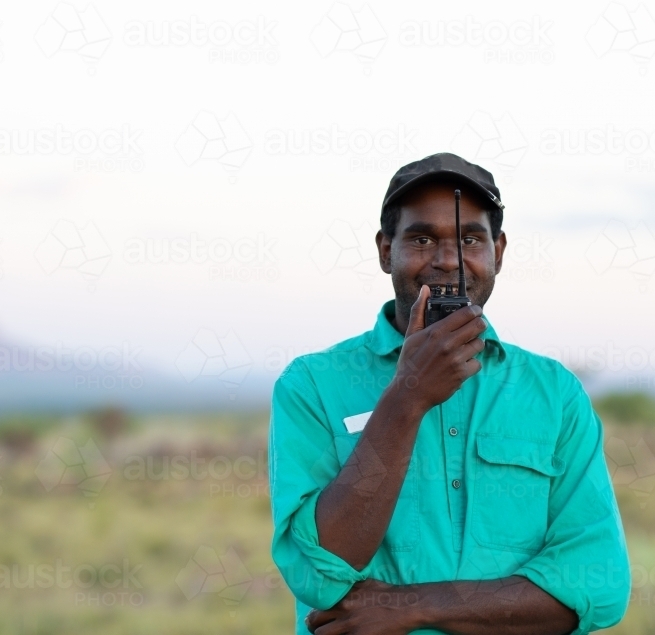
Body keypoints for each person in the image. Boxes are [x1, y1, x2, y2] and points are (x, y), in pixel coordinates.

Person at [268, 153, 632, 635]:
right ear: (384, 251)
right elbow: (317, 572)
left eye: (470, 239)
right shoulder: (312, 384)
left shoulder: (554, 393)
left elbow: (596, 586)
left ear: (498, 252)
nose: (447, 260)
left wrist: (413, 606)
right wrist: (407, 397)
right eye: (421, 239)